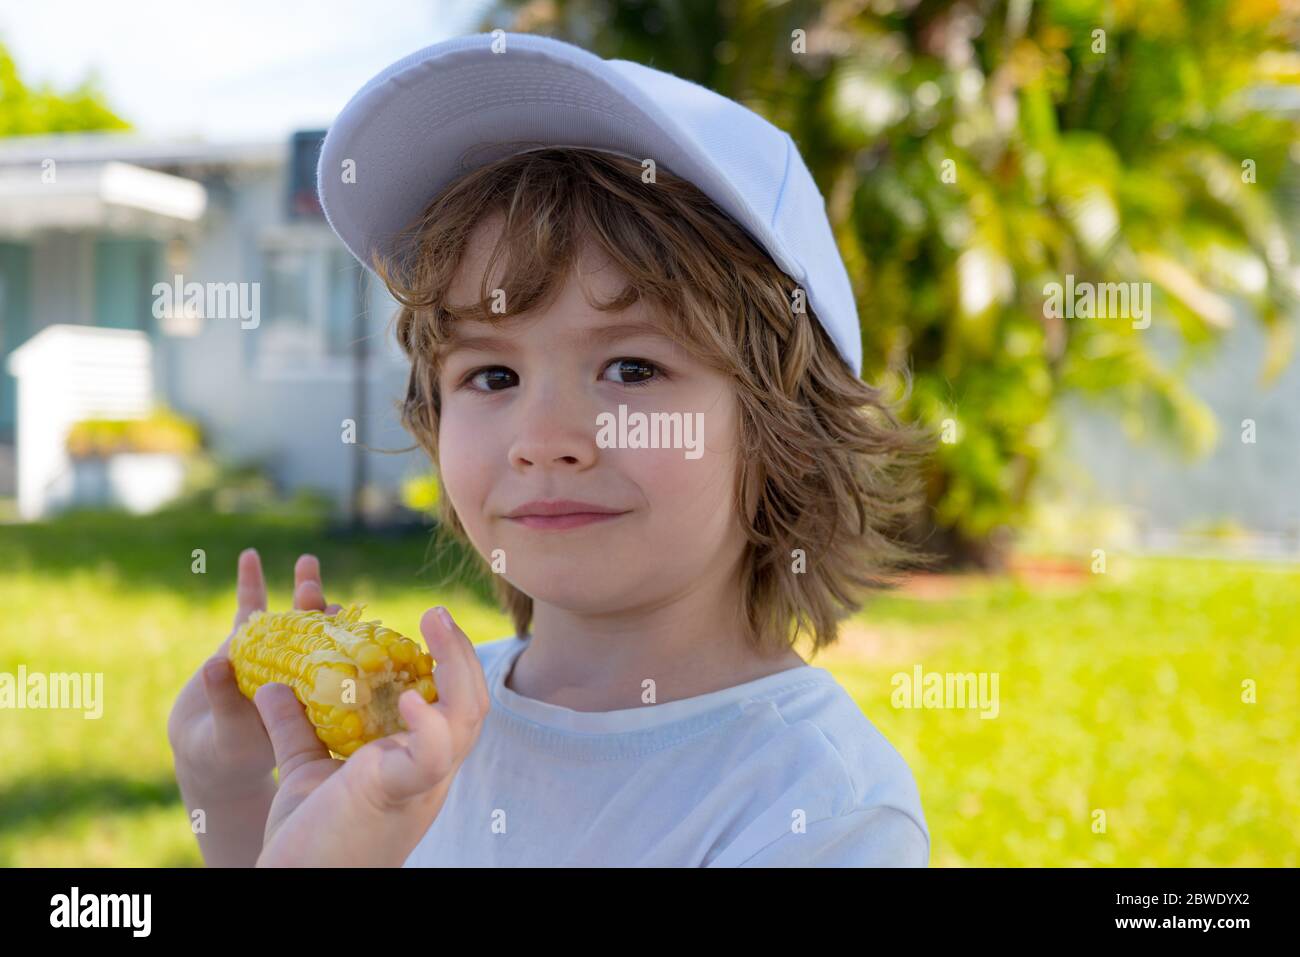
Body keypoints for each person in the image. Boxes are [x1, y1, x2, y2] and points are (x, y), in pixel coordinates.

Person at [168, 31, 932, 867]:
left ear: (787, 431)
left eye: (632, 367)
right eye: (492, 375)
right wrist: (234, 793)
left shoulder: (817, 811)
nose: (544, 441)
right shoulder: (404, 733)